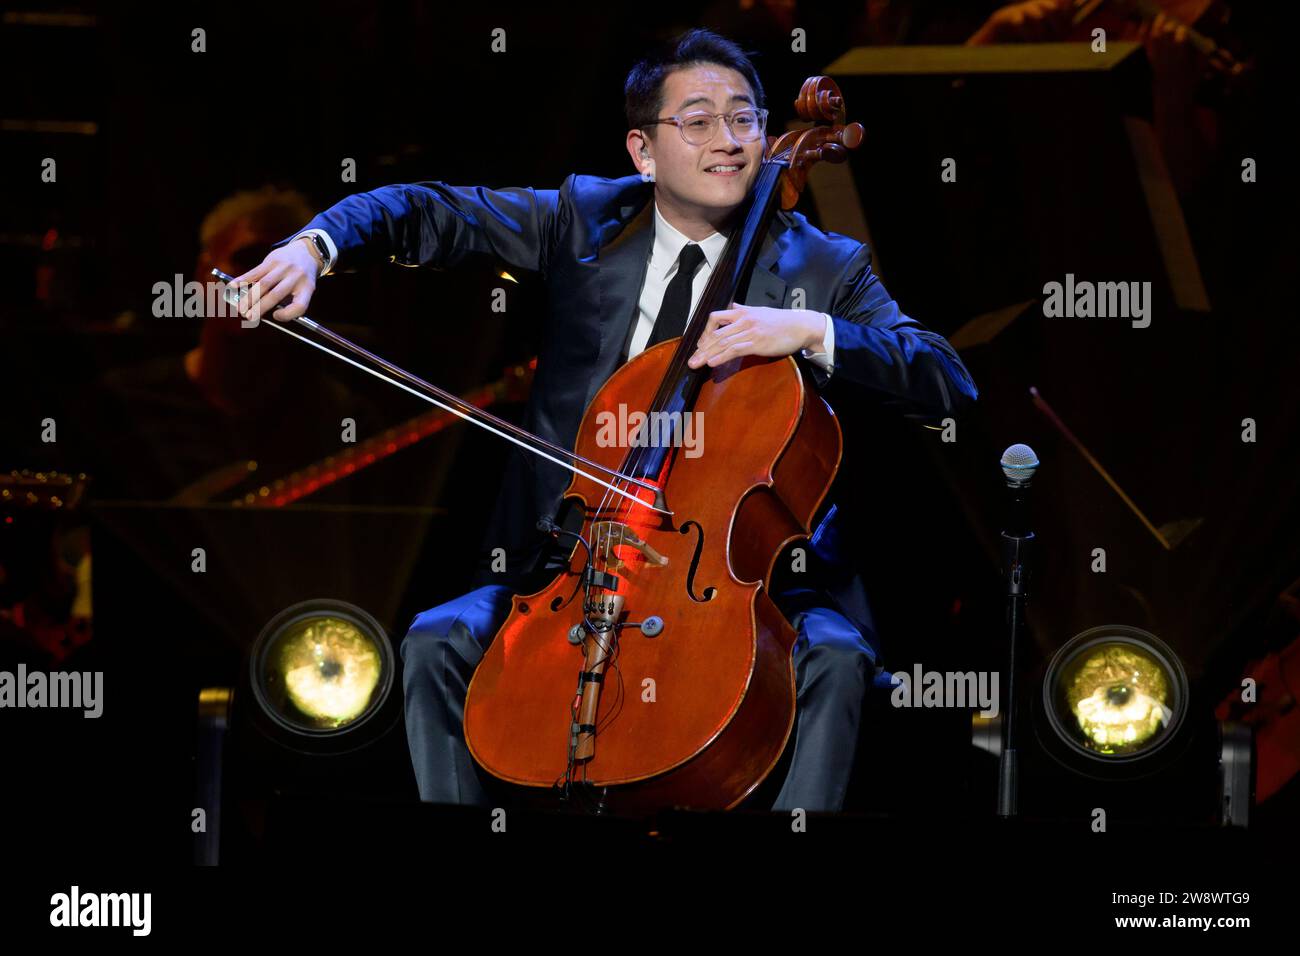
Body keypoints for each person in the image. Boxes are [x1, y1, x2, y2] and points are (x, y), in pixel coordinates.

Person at [230, 29, 979, 812]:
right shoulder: (582, 223)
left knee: (836, 657)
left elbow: (945, 379)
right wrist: (315, 248)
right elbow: (426, 210)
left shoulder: (822, 265)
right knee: (434, 641)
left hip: (745, 585)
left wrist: (811, 332)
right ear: (643, 151)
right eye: (697, 121)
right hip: (569, 567)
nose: (728, 141)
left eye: (746, 119)